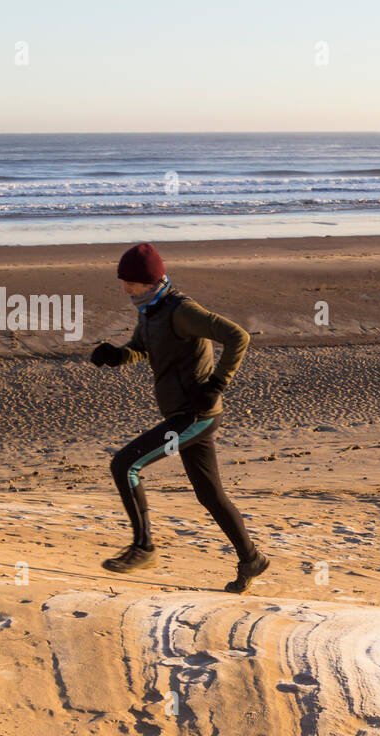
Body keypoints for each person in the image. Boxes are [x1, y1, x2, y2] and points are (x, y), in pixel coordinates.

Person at [89, 242, 269, 593]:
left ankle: (144, 548)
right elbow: (141, 349)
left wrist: (217, 384)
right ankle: (252, 559)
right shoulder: (149, 311)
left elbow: (238, 336)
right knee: (211, 495)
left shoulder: (182, 310)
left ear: (149, 280)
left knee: (124, 465)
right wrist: (116, 356)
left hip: (194, 415)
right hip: (184, 415)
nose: (124, 287)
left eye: (129, 281)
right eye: (121, 280)